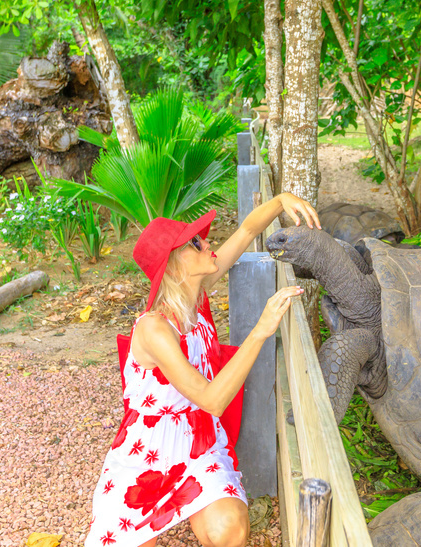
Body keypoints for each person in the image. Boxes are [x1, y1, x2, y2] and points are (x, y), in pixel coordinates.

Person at [84, 193, 321, 547]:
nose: (207, 242)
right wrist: (261, 329)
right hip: (146, 453)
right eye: (195, 243)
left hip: (198, 445)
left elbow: (245, 230)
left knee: (230, 529)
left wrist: (280, 201)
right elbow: (212, 400)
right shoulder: (155, 328)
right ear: (174, 264)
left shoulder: (196, 295)